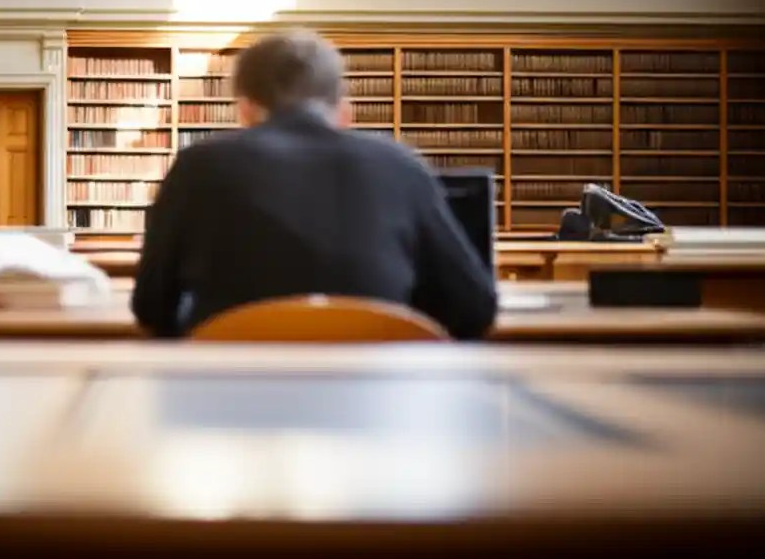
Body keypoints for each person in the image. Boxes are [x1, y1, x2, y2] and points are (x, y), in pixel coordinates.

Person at [131, 31, 498, 339]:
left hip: (229, 402)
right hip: (379, 404)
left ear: (244, 109)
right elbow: (474, 308)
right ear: (344, 110)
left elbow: (152, 307)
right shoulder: (400, 165)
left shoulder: (198, 166)